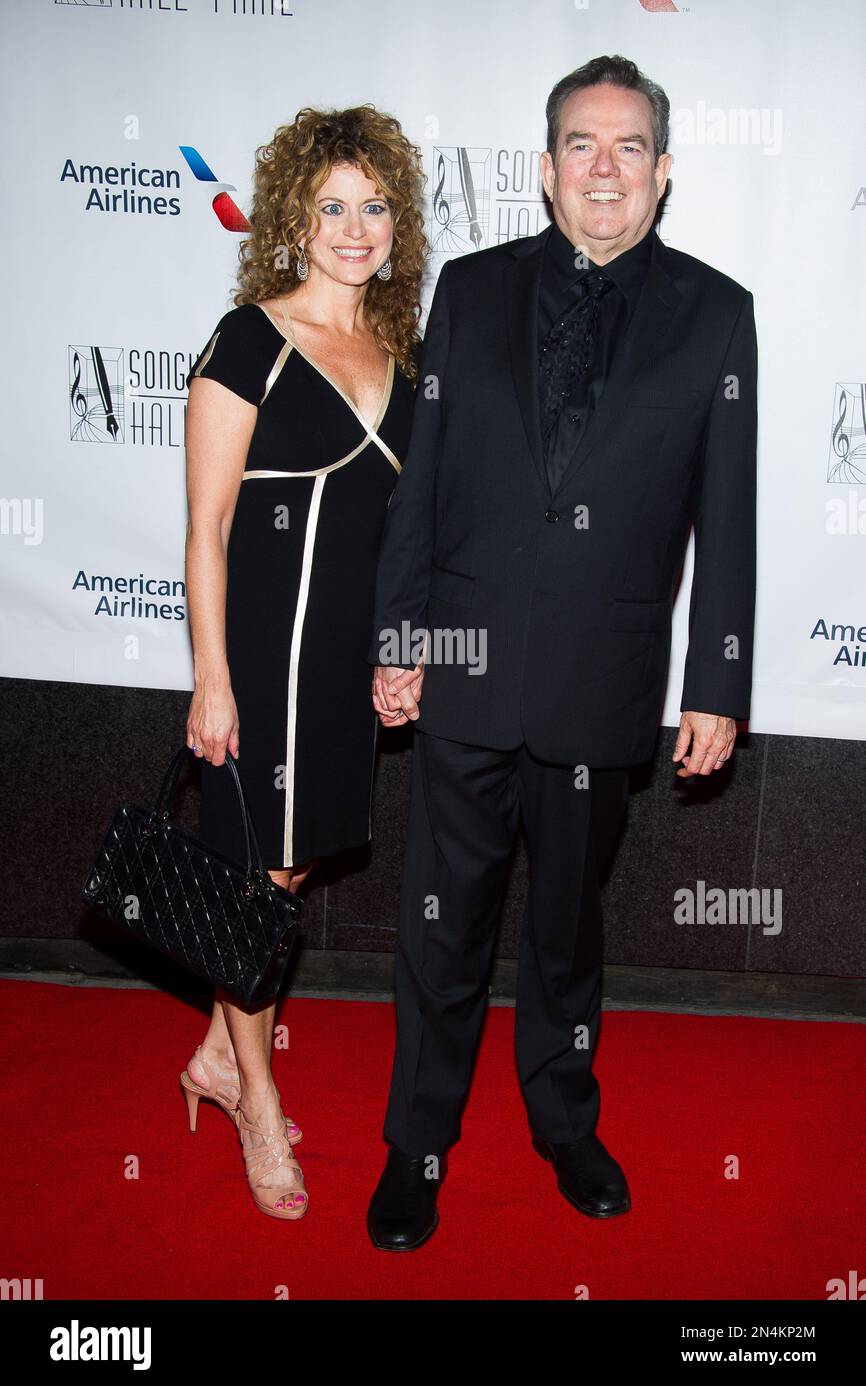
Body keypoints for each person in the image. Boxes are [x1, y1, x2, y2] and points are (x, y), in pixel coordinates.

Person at [366, 54, 758, 1250]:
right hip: (466, 670)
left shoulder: (715, 311)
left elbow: (725, 515)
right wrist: (400, 637)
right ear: (543, 171)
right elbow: (420, 489)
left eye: (626, 146)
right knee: (442, 926)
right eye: (580, 146)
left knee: (564, 938)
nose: (602, 167)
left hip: (604, 683)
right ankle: (416, 1146)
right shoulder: (471, 293)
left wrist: (718, 682)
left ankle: (562, 1123)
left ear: (662, 170)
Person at [182, 105, 425, 1221]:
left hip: (337, 666)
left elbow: (407, 539)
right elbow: (205, 526)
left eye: (372, 206)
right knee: (259, 876)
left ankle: (217, 1052)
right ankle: (256, 1100)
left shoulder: (402, 359)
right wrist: (212, 677)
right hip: (260, 655)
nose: (352, 227)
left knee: (284, 871)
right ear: (292, 216)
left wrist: (397, 651)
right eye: (330, 206)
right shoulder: (249, 338)